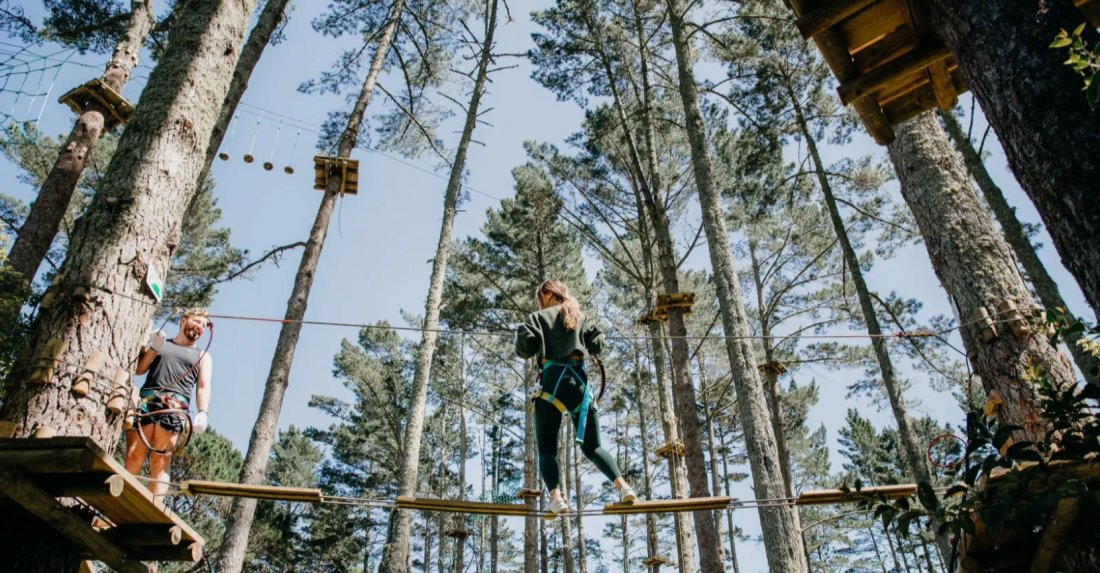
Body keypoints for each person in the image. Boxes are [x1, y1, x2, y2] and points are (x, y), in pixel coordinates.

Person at [516, 280, 637, 516]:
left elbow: (525, 349)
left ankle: (556, 498)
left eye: (540, 297)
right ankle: (623, 488)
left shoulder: (538, 319)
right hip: (579, 385)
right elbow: (597, 344)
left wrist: (525, 331)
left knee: (547, 451)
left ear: (549, 293)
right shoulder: (579, 316)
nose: (539, 303)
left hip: (550, 385)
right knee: (593, 447)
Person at [124, 308, 212, 497]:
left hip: (174, 407)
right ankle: (122, 502)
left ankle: (154, 508)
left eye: (203, 326)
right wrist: (154, 346)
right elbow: (139, 369)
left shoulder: (203, 356)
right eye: (196, 322)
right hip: (147, 402)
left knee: (160, 461)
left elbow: (203, 387)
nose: (199, 328)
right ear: (183, 321)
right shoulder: (162, 344)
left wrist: (203, 412)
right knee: (133, 455)